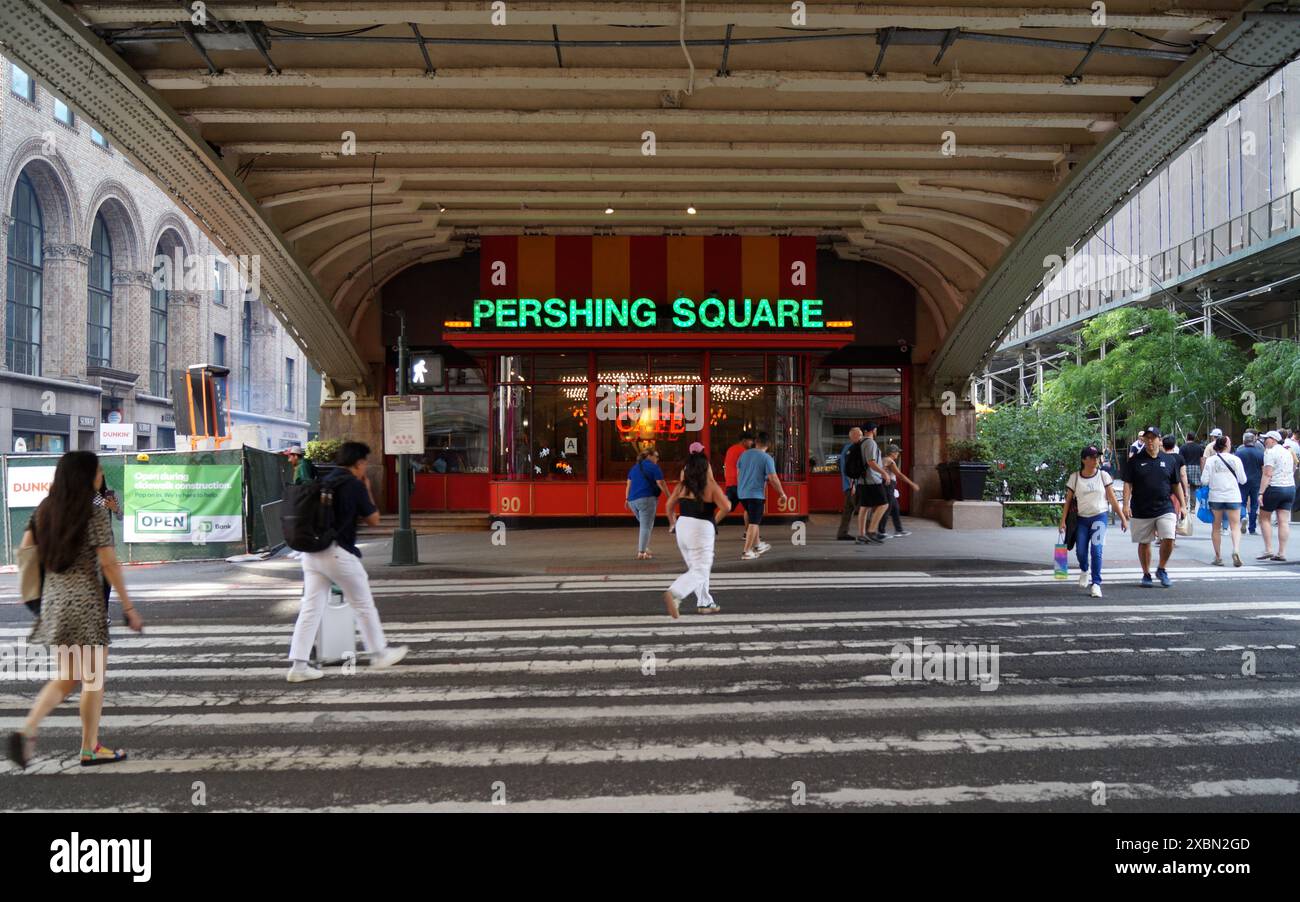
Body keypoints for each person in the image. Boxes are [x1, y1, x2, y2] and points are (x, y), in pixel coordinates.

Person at [8, 451, 144, 770]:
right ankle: (90, 747)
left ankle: (27, 730)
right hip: (85, 601)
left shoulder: (44, 510)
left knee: (67, 677)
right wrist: (128, 606)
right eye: (97, 471)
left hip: (54, 602)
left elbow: (27, 548)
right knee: (93, 679)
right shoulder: (93, 512)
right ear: (85, 476)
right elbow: (109, 563)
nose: (100, 476)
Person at [286, 441, 408, 682]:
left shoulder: (324, 480)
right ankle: (379, 653)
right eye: (364, 463)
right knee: (363, 604)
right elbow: (373, 519)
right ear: (359, 463)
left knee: (310, 609)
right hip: (338, 553)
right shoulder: (354, 484)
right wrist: (369, 489)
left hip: (311, 554)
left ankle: (299, 666)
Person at [662, 450, 732, 617]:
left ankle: (705, 602)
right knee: (701, 569)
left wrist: (673, 523)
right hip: (701, 528)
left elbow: (668, 506)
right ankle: (675, 593)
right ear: (706, 468)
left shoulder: (682, 486)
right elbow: (727, 507)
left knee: (696, 568)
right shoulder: (711, 486)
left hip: (682, 526)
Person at [1060, 445, 1128, 598]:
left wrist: (1123, 518)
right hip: (1081, 520)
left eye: (1097, 457)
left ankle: (1096, 583)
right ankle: (1084, 569)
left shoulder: (1103, 476)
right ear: (1084, 460)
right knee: (1081, 552)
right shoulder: (1075, 477)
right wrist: (1063, 521)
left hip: (1099, 517)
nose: (1095, 460)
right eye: (1091, 457)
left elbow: (1112, 499)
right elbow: (1068, 501)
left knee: (1096, 551)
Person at [1122, 425, 1184, 588]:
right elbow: (1127, 484)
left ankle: (1162, 568)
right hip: (1141, 507)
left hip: (1165, 506)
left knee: (1169, 537)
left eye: (1153, 438)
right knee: (1144, 542)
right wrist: (1125, 505)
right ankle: (1146, 573)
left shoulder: (1169, 460)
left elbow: (1176, 484)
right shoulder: (1135, 460)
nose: (1150, 441)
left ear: (1159, 440)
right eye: (1147, 438)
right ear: (1143, 440)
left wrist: (1183, 505)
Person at [737, 431, 787, 560]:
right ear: (768, 444)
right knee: (754, 521)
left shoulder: (744, 455)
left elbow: (739, 473)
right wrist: (781, 493)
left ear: (756, 442)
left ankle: (758, 545)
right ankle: (746, 551)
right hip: (756, 494)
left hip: (742, 493)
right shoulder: (766, 458)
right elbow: (773, 478)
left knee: (754, 518)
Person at [1201, 434, 1247, 567]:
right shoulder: (1236, 459)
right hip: (1233, 496)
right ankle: (1236, 550)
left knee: (1216, 527)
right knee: (1235, 526)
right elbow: (1243, 480)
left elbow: (1204, 480)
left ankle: (1218, 556)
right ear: (1227, 445)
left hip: (1216, 497)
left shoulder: (1210, 460)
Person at [1257, 430, 1295, 562]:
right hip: (1289, 488)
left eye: (1266, 439)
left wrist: (1261, 492)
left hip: (1274, 488)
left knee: (1264, 518)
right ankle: (1281, 552)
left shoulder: (1270, 452)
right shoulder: (1288, 452)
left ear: (1273, 439)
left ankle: (1268, 549)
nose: (1264, 441)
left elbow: (1267, 474)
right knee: (1283, 521)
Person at [626, 448, 668, 560]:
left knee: (646, 525)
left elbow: (628, 485)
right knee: (646, 526)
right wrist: (670, 496)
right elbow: (661, 482)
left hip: (632, 501)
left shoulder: (634, 468)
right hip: (646, 499)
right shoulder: (653, 467)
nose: (657, 459)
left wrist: (626, 499)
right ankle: (642, 552)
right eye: (656, 456)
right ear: (649, 456)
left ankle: (644, 546)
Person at [854, 422, 892, 545]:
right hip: (872, 480)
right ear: (873, 430)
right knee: (884, 505)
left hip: (862, 480)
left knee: (864, 508)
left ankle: (861, 535)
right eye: (876, 429)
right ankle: (871, 531)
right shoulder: (870, 443)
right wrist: (884, 473)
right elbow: (871, 462)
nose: (876, 431)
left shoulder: (860, 443)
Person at [877, 444, 919, 538]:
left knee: (895, 508)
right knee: (887, 508)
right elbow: (899, 475)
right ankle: (881, 532)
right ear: (892, 453)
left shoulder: (884, 460)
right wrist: (912, 484)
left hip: (888, 486)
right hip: (888, 487)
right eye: (897, 452)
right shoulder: (889, 461)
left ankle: (899, 530)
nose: (898, 454)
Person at [723, 431, 754, 534]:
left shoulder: (730, 449)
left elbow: (725, 466)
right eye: (750, 441)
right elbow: (747, 468)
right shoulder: (743, 451)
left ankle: (712, 525)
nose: (752, 443)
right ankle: (748, 533)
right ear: (744, 441)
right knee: (750, 508)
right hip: (741, 483)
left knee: (726, 508)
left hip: (730, 482)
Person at [835, 427, 863, 541]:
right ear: (854, 436)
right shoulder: (852, 449)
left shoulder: (846, 449)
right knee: (863, 509)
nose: (861, 437)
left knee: (848, 510)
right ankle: (868, 533)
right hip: (853, 486)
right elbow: (850, 469)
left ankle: (842, 532)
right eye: (860, 435)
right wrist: (853, 485)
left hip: (847, 486)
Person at [1237, 431, 1265, 535]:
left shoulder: (1239, 453)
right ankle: (1252, 528)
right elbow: (1263, 469)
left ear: (1244, 441)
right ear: (1254, 441)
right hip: (1256, 481)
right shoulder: (1260, 453)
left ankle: (1243, 516)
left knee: (1242, 502)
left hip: (1242, 481)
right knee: (1254, 504)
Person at [1162, 435, 1191, 529]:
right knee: (1174, 512)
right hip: (1176, 489)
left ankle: (1161, 535)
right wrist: (1186, 490)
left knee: (1162, 512)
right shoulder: (1180, 458)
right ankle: (1171, 536)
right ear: (1174, 446)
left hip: (1162, 488)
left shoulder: (1160, 457)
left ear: (1163, 445)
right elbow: (1183, 475)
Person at [1181, 432, 1204, 510]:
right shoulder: (1199, 447)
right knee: (1193, 489)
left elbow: (1180, 459)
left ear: (1187, 437)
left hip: (1185, 467)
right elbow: (1201, 460)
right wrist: (1202, 470)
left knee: (1184, 487)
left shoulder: (1183, 447)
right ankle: (1193, 508)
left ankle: (1185, 505)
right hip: (1196, 468)